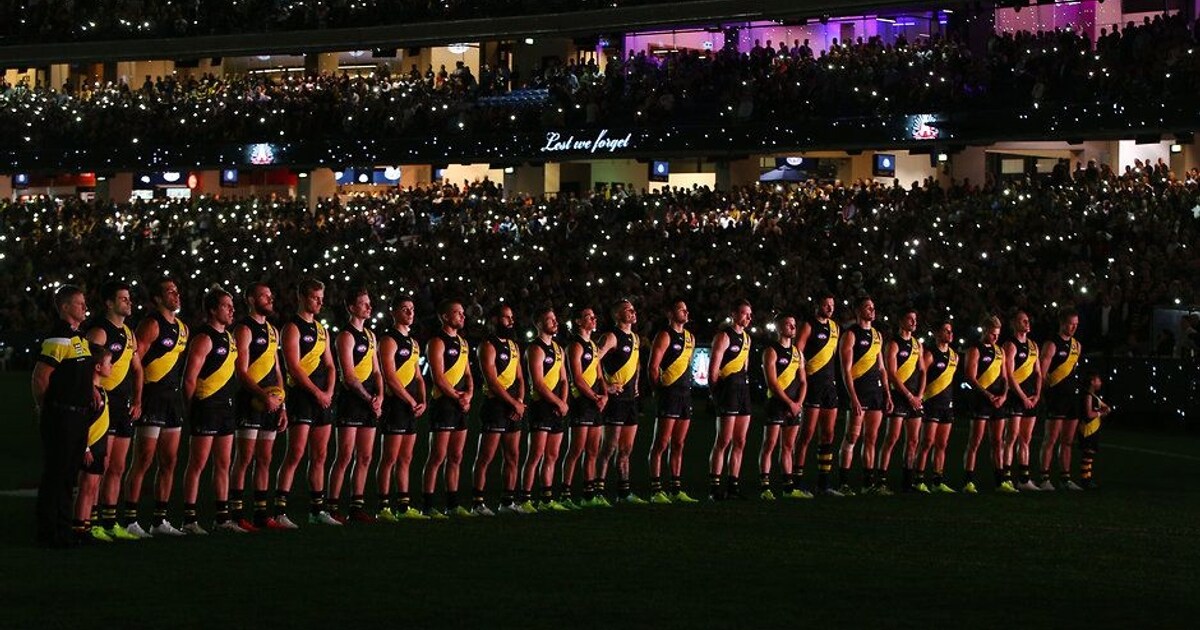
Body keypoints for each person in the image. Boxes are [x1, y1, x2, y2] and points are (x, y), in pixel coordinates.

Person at [123, 278, 189, 537]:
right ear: (158, 299)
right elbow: (134, 361)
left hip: (173, 399)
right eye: (170, 292)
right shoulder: (151, 324)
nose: (176, 295)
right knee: (143, 460)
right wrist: (137, 396)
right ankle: (130, 518)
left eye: (177, 290)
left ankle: (159, 520)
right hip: (152, 397)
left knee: (170, 461)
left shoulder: (183, 328)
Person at [33, 286, 97, 548]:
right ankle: (49, 532)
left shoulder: (78, 336)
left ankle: (63, 529)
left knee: (69, 475)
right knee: (57, 475)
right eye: (79, 303)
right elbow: (41, 376)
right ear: (65, 307)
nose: (84, 307)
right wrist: (45, 409)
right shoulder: (59, 337)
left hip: (78, 416)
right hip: (63, 415)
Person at [180, 288, 244, 534]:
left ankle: (222, 519)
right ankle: (189, 520)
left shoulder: (229, 337)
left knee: (223, 463)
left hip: (226, 407)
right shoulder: (203, 338)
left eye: (231, 305)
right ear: (213, 310)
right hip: (205, 406)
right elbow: (189, 378)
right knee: (198, 463)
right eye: (226, 306)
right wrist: (191, 407)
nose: (232, 310)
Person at [276, 279, 340, 526]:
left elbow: (331, 365)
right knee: (296, 453)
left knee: (321, 454)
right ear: (302, 297)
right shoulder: (292, 328)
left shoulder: (322, 330)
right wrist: (317, 392)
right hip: (303, 396)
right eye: (316, 297)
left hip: (323, 397)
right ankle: (280, 512)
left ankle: (317, 511)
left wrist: (329, 391)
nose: (320, 302)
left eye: (322, 298)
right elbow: (293, 366)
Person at [85, 281, 144, 540]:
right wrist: (93, 392)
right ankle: (92, 520)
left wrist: (139, 400)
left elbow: (138, 369)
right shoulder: (99, 332)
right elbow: (85, 366)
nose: (128, 302)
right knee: (102, 464)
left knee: (118, 466)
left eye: (129, 298)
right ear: (109, 303)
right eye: (123, 298)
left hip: (124, 406)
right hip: (104, 406)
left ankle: (111, 521)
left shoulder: (130, 333)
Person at [230, 282, 288, 531]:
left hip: (272, 402)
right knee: (245, 458)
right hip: (250, 400)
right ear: (251, 300)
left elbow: (277, 369)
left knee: (265, 458)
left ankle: (262, 514)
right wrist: (263, 395)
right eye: (264, 296)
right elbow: (241, 371)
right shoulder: (244, 329)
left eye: (270, 294)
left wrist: (282, 404)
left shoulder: (273, 331)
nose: (270, 298)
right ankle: (236, 514)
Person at [328, 287, 384, 523]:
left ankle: (356, 507)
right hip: (352, 401)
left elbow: (377, 371)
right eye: (363, 304)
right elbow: (349, 376)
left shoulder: (371, 336)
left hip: (370, 402)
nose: (369, 307)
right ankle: (330, 508)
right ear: (351, 307)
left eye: (369, 303)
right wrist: (368, 397)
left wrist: (380, 396)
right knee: (344, 456)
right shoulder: (345, 336)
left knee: (365, 456)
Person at [376, 295, 429, 520]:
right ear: (394, 313)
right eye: (405, 309)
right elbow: (390, 377)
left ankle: (404, 507)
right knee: (389, 458)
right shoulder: (389, 340)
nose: (410, 313)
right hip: (396, 404)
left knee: (406, 458)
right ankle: (383, 507)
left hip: (411, 405)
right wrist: (409, 400)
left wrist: (423, 401)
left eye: (412, 309)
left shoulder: (414, 342)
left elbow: (418, 376)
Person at [472, 304, 525, 516]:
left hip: (514, 406)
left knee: (513, 456)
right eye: (506, 318)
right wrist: (514, 403)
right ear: (494, 320)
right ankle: (477, 503)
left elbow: (521, 377)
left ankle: (507, 502)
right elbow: (492, 382)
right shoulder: (487, 346)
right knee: (486, 456)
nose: (511, 321)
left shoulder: (514, 346)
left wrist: (519, 400)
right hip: (495, 406)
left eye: (512, 317)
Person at [423, 299, 474, 518]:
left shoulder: (463, 342)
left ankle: (452, 504)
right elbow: (438, 377)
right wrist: (457, 397)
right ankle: (427, 505)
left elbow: (468, 374)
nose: (462, 316)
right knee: (437, 456)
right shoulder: (436, 342)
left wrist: (469, 394)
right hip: (444, 404)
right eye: (457, 313)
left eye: (463, 313)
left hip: (461, 404)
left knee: (456, 456)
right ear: (445, 316)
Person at [645, 299, 699, 504]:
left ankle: (676, 488)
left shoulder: (690, 338)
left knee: (679, 443)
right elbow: (653, 366)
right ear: (670, 313)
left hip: (685, 394)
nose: (686, 312)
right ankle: (656, 488)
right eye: (680, 309)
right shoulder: (664, 335)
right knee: (661, 442)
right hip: (669, 394)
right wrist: (658, 390)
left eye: (687, 308)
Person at [838, 296, 892, 495]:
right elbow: (846, 369)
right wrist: (852, 397)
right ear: (858, 310)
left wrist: (887, 394)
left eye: (873, 307)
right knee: (852, 436)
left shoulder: (878, 335)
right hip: (858, 392)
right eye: (868, 307)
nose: (872, 310)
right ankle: (843, 482)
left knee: (871, 438)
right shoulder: (850, 334)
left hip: (875, 393)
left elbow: (882, 368)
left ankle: (869, 483)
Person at [521, 306, 571, 512]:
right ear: (539, 324)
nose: (555, 322)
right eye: (549, 319)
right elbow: (539, 383)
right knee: (536, 455)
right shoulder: (535, 348)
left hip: (557, 407)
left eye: (555, 318)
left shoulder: (559, 349)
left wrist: (564, 402)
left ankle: (547, 498)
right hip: (541, 406)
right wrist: (558, 402)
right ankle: (525, 499)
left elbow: (564, 380)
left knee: (552, 455)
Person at [598, 299, 646, 504]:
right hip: (615, 400)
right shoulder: (611, 336)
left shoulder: (635, 338)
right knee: (609, 447)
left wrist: (636, 383)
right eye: (627, 310)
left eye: (633, 309)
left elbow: (636, 363)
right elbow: (593, 359)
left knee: (626, 449)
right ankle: (597, 491)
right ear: (617, 315)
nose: (633, 312)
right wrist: (604, 386)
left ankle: (624, 493)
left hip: (630, 400)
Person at [562, 307, 610, 508]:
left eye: (594, 315)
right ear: (579, 322)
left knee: (593, 450)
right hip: (582, 402)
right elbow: (577, 379)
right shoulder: (575, 346)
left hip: (596, 402)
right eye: (589, 316)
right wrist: (595, 397)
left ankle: (589, 495)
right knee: (576, 450)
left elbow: (600, 375)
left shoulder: (592, 344)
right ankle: (565, 493)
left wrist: (605, 395)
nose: (594, 318)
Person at [961, 316, 1014, 494]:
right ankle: (968, 481)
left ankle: (1000, 482)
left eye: (997, 334)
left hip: (997, 401)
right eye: (992, 334)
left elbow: (1005, 376)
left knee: (998, 441)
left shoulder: (1000, 351)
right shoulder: (975, 350)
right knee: (975, 441)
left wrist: (1004, 395)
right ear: (984, 331)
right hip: (981, 402)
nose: (995, 338)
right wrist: (988, 394)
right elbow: (970, 376)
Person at [759, 314, 808, 500]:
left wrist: (798, 404)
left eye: (794, 324)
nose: (792, 327)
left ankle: (788, 488)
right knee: (770, 444)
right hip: (776, 404)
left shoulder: (798, 353)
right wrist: (790, 403)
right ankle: (765, 487)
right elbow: (772, 382)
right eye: (788, 324)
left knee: (788, 446)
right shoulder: (771, 351)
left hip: (794, 406)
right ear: (779, 328)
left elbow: (803, 381)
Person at [709, 299, 754, 500]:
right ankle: (715, 487)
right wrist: (717, 395)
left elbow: (745, 366)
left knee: (740, 441)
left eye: (750, 314)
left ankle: (733, 485)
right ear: (734, 314)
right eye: (744, 313)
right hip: (728, 392)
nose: (748, 317)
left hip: (742, 390)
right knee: (723, 440)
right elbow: (713, 371)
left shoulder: (747, 339)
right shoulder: (724, 336)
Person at [796, 294, 840, 496]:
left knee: (828, 434)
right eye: (826, 304)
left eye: (832, 305)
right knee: (807, 434)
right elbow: (798, 352)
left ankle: (824, 483)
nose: (830, 308)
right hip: (813, 385)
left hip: (829, 386)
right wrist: (804, 375)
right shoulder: (808, 325)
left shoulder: (835, 328)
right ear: (818, 306)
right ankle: (797, 482)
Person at [879, 308, 924, 494]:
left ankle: (907, 482)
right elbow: (892, 373)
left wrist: (919, 395)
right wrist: (909, 396)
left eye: (915, 319)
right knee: (892, 439)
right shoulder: (893, 344)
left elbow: (922, 370)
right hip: (900, 396)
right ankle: (881, 480)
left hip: (915, 397)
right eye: (910, 319)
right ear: (901, 321)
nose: (914, 322)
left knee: (913, 441)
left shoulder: (917, 345)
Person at [1039, 310, 1084, 491]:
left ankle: (1065, 478)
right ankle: (1044, 477)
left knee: (1068, 441)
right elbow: (1041, 374)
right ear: (1062, 323)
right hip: (1055, 398)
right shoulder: (1051, 344)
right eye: (1071, 323)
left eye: (1076, 324)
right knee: (1051, 439)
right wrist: (1042, 395)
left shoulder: (1077, 346)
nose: (1074, 327)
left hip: (1071, 398)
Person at [72, 347, 113, 543]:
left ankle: (86, 526)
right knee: (86, 488)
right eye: (109, 363)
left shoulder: (101, 391)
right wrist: (85, 447)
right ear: (98, 367)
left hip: (99, 446)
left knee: (93, 487)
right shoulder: (90, 393)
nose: (112, 367)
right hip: (90, 447)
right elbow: (81, 423)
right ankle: (79, 528)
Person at [915, 319, 958, 493]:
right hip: (931, 403)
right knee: (927, 442)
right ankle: (918, 480)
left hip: (947, 404)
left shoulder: (955, 356)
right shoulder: (930, 354)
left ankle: (937, 481)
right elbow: (921, 376)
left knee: (942, 444)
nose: (950, 334)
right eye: (946, 330)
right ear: (937, 333)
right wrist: (920, 397)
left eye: (951, 331)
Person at [1003, 310, 1042, 491]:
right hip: (1016, 397)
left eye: (1028, 320)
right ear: (1015, 323)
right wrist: (1023, 397)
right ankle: (1006, 477)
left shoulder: (1034, 345)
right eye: (1023, 321)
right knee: (1011, 437)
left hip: (1030, 397)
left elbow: (1039, 373)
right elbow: (1009, 375)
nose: (1027, 323)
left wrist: (1037, 395)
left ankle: (1024, 479)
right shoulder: (1010, 345)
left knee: (1026, 438)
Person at [1078, 370, 1110, 489]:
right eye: (1098, 380)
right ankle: (1085, 480)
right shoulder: (1088, 395)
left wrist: (1103, 410)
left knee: (1089, 455)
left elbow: (1105, 408)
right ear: (1092, 382)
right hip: (1088, 429)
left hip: (1093, 429)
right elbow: (1088, 414)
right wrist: (1100, 413)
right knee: (1087, 454)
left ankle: (1087, 479)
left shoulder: (1093, 396)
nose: (1100, 382)